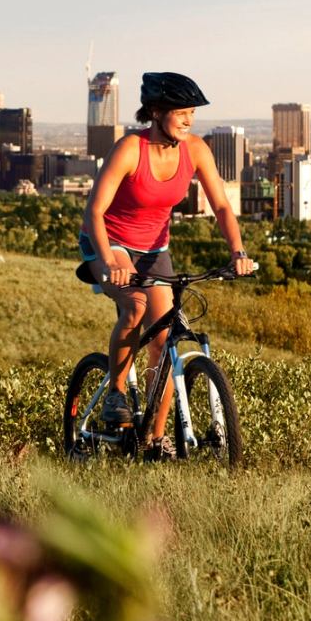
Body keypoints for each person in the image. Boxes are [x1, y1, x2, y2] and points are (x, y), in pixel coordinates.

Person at [80, 72, 253, 460]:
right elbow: (94, 210)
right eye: (182, 112)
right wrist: (109, 259)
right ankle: (116, 394)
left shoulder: (195, 150)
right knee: (136, 306)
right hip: (109, 242)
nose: (189, 120)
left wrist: (238, 253)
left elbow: (222, 206)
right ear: (156, 112)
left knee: (165, 339)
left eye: (192, 112)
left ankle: (154, 440)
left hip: (155, 249)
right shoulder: (129, 149)